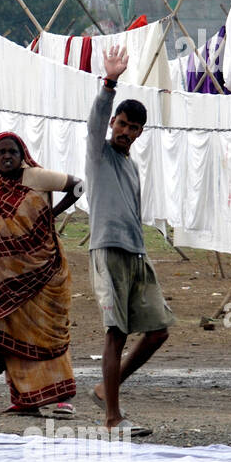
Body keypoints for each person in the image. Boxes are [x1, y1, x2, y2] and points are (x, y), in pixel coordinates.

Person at [85, 46, 174, 436]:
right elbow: (94, 122)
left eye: (132, 128)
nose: (124, 131)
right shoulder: (98, 154)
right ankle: (112, 418)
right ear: (114, 124)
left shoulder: (132, 166)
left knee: (158, 331)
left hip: (137, 254)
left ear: (140, 133)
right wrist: (110, 82)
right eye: (120, 124)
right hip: (107, 251)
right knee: (116, 334)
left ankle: (108, 388)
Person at [0, 131, 83, 417]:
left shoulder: (37, 178)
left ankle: (60, 398)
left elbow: (78, 186)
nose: (7, 157)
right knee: (11, 333)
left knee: (49, 335)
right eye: (1, 152)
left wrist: (52, 214)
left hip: (44, 273)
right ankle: (24, 400)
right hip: (3, 281)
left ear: (23, 156)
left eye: (12, 152)